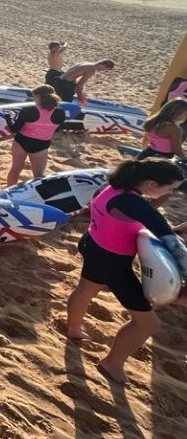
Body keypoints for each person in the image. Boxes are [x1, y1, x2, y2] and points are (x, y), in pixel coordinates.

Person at [65, 159, 187, 386]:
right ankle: (112, 364)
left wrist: (175, 230)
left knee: (85, 289)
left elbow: (151, 227)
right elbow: (171, 243)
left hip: (94, 243)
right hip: (113, 262)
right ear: (151, 184)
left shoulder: (114, 188)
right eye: (170, 188)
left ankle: (73, 330)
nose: (170, 193)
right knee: (148, 324)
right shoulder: (135, 204)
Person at [5, 84, 67, 185]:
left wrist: (8, 118)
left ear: (38, 96)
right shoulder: (60, 113)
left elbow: (14, 129)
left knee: (15, 170)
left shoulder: (28, 110)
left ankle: (9, 192)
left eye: (34, 97)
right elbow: (57, 130)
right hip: (41, 146)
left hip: (21, 142)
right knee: (38, 177)